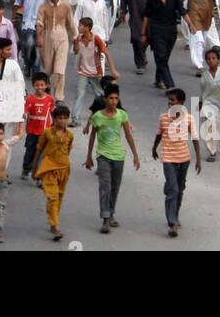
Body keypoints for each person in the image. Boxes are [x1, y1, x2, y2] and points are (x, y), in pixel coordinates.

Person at [84, 83, 139, 234]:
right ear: (105, 99)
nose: (113, 101)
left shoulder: (122, 115)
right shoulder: (98, 116)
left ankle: (111, 212)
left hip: (119, 156)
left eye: (116, 98)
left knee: (115, 187)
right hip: (103, 156)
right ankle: (105, 218)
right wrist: (89, 157)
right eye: (111, 98)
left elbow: (128, 135)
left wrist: (135, 155)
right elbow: (92, 136)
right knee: (105, 186)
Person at [152, 87, 201, 238]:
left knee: (179, 189)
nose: (170, 102)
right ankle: (172, 222)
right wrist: (154, 148)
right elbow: (159, 134)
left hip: (183, 159)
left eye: (173, 100)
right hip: (168, 158)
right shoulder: (163, 117)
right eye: (169, 100)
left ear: (181, 102)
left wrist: (198, 159)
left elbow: (194, 139)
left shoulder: (189, 119)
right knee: (173, 189)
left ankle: (175, 214)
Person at [31, 103, 73, 240]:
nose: (62, 121)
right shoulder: (47, 133)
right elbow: (39, 149)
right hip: (49, 169)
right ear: (54, 119)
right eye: (59, 118)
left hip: (64, 169)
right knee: (53, 197)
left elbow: (68, 150)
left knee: (59, 196)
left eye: (65, 118)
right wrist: (35, 167)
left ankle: (53, 219)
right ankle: (55, 226)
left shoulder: (70, 135)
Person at [70, 17, 112, 127]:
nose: (79, 27)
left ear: (87, 28)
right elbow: (76, 52)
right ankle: (75, 119)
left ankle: (105, 115)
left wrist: (113, 70)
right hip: (83, 71)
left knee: (99, 94)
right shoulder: (79, 38)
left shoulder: (96, 39)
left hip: (95, 72)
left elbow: (106, 53)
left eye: (81, 25)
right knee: (80, 94)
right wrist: (75, 43)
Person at [198, 49, 220, 163]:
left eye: (213, 58)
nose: (211, 61)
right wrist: (200, 103)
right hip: (208, 104)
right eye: (208, 59)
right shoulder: (204, 76)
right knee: (208, 127)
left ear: (218, 60)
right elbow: (202, 91)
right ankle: (212, 151)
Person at [21, 73, 55, 179]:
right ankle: (26, 168)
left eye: (42, 85)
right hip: (32, 132)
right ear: (33, 85)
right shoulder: (30, 99)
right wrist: (25, 114)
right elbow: (26, 111)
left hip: (45, 132)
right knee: (30, 152)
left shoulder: (49, 99)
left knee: (43, 155)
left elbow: (53, 112)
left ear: (46, 86)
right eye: (37, 85)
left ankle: (40, 176)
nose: (39, 87)